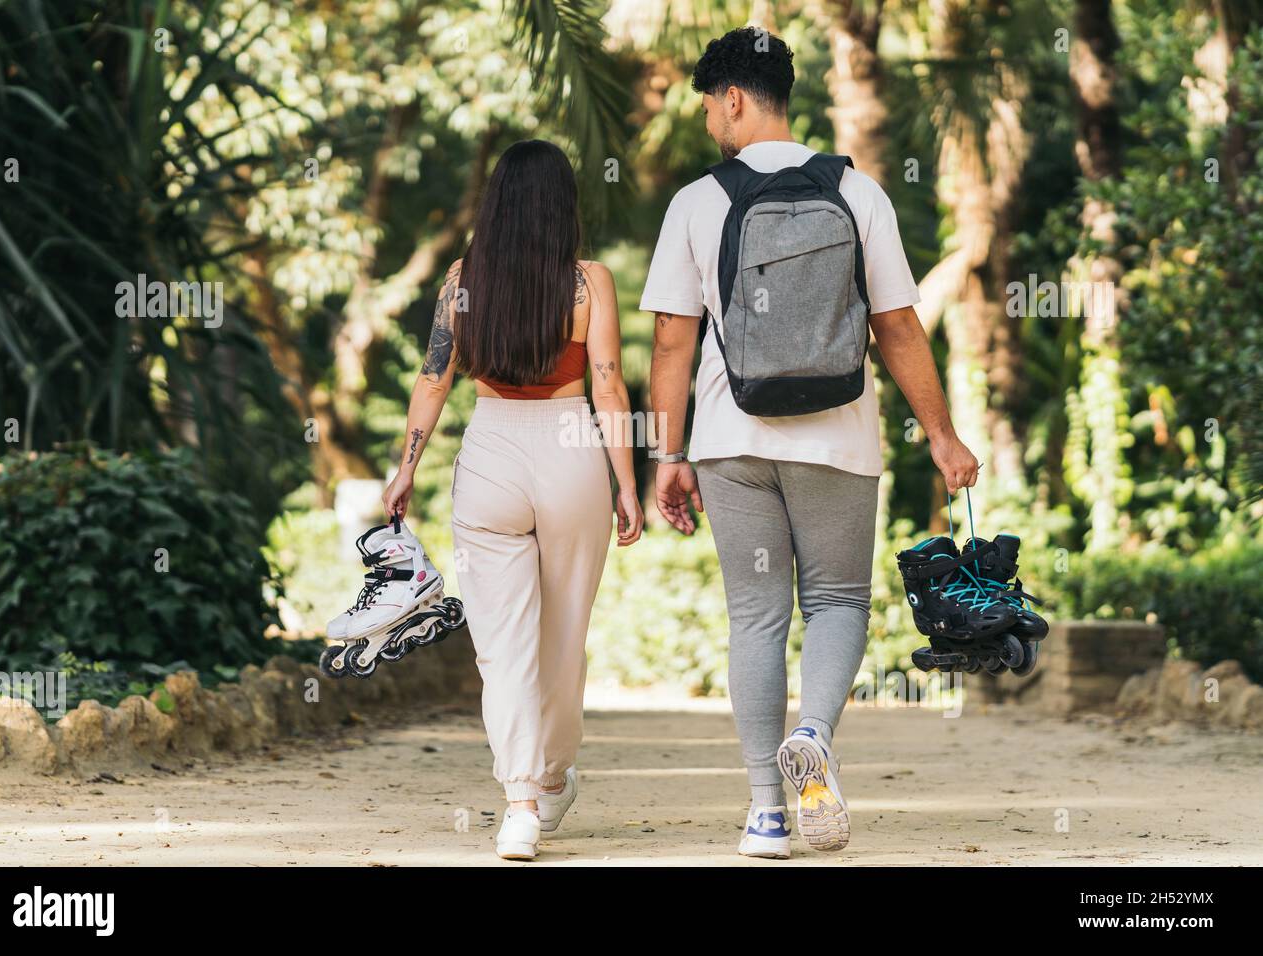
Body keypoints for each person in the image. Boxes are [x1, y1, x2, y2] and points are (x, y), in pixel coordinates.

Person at [642, 27, 979, 859]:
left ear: (733, 100)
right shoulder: (857, 192)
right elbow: (898, 326)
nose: (711, 129)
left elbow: (670, 348)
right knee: (836, 602)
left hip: (731, 440)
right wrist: (941, 434)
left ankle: (764, 810)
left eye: (712, 112)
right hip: (836, 438)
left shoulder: (696, 201)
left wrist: (667, 457)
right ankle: (816, 739)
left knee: (755, 617)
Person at [382, 140, 643, 861]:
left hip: (490, 448)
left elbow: (434, 379)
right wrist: (627, 483)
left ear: (494, 203)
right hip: (570, 449)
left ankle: (521, 803)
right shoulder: (590, 283)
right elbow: (610, 387)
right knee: (561, 639)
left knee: (502, 650)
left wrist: (406, 468)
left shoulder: (462, 282)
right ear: (564, 206)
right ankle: (552, 777)